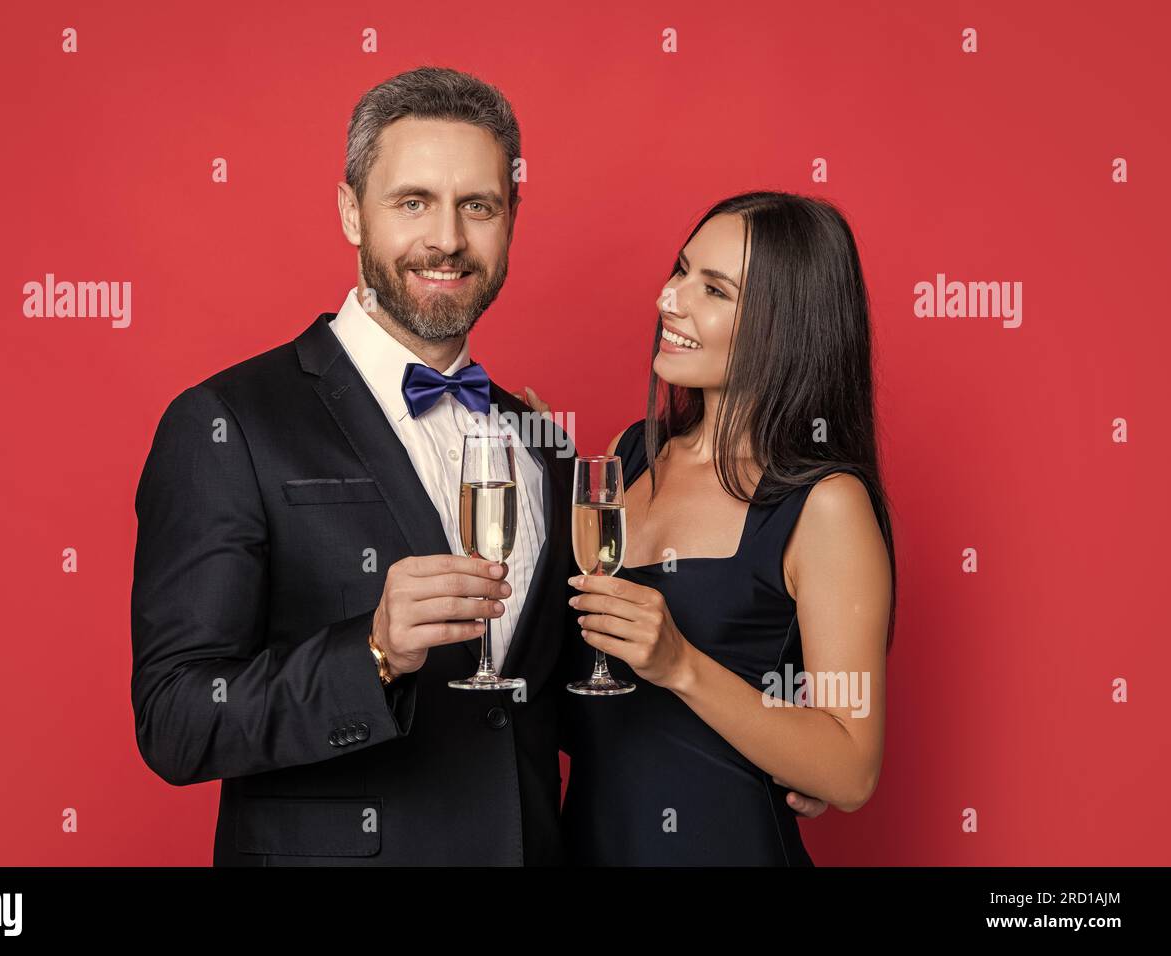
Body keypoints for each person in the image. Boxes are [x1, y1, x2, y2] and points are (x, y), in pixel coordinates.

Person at [130, 66, 578, 865]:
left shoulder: (542, 440)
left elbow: (564, 700)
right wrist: (370, 651)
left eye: (477, 205)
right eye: (413, 202)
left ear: (511, 216)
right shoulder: (226, 422)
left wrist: (778, 748)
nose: (447, 238)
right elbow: (177, 719)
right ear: (350, 212)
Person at [559, 192, 895, 865]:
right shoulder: (627, 455)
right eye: (681, 271)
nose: (669, 299)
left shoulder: (824, 503)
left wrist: (679, 665)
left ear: (786, 325)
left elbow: (851, 772)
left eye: (713, 289)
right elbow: (576, 699)